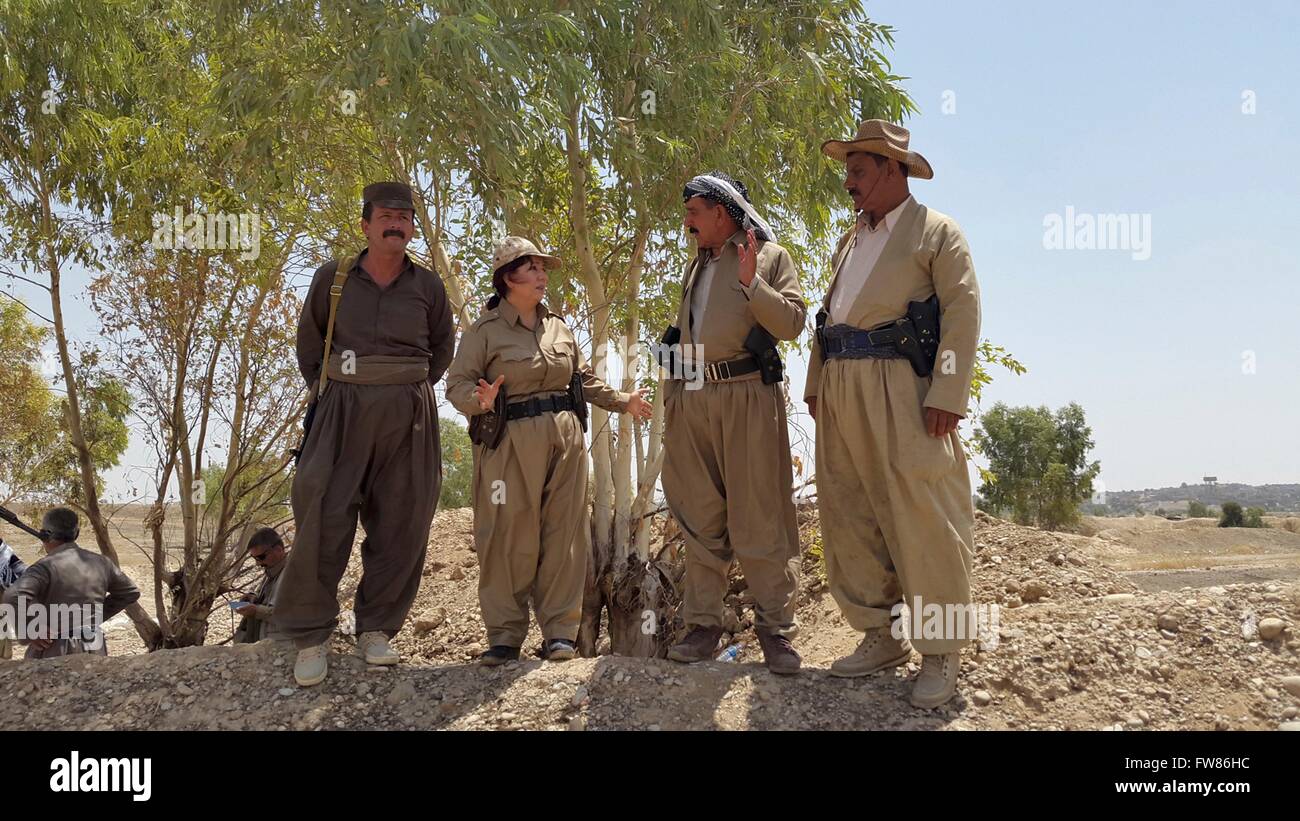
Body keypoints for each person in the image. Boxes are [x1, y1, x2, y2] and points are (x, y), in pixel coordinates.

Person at [806, 120, 981, 708]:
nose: (849, 184)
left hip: (902, 387)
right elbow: (827, 319)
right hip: (840, 387)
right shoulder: (850, 239)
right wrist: (815, 387)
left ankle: (941, 650)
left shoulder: (937, 232)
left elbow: (962, 311)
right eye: (847, 172)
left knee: (921, 511)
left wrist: (948, 394)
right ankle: (880, 636)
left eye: (858, 171)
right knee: (849, 509)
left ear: (891, 168)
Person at [274, 181, 456, 687]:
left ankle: (376, 629)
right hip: (340, 408)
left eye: (404, 217)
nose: (395, 224)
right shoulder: (331, 279)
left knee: (403, 518)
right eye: (385, 216)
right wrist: (340, 391)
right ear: (365, 224)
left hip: (409, 413)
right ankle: (311, 634)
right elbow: (310, 347)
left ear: (412, 226)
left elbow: (442, 349)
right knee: (323, 514)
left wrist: (401, 390)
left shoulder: (428, 286)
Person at [445, 236, 652, 665]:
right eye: (533, 268)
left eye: (543, 268)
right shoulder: (484, 332)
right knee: (508, 536)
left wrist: (623, 400)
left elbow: (582, 379)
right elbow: (457, 385)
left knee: (564, 536)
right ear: (508, 278)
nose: (542, 276)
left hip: (565, 439)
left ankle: (560, 634)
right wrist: (478, 401)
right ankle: (504, 637)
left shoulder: (558, 326)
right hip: (509, 441)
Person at [661, 171, 807, 675]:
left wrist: (751, 283)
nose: (687, 222)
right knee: (701, 518)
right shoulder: (696, 266)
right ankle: (702, 625)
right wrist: (673, 405)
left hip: (746, 397)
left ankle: (776, 631)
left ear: (721, 213)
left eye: (694, 213)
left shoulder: (770, 257)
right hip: (694, 400)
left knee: (759, 514)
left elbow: (791, 324)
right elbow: (682, 337)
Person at [1, 507, 140, 659]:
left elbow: (13, 595)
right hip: (95, 647)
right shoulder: (102, 563)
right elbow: (130, 592)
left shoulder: (45, 567)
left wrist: (30, 630)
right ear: (77, 533)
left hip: (54, 648)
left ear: (45, 535)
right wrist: (94, 617)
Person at [232, 527, 288, 644]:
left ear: (278, 550)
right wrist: (253, 597)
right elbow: (268, 599)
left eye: (261, 557)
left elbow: (294, 616)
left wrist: (257, 611)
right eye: (255, 558)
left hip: (283, 647)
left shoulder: (293, 574)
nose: (258, 563)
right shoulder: (272, 570)